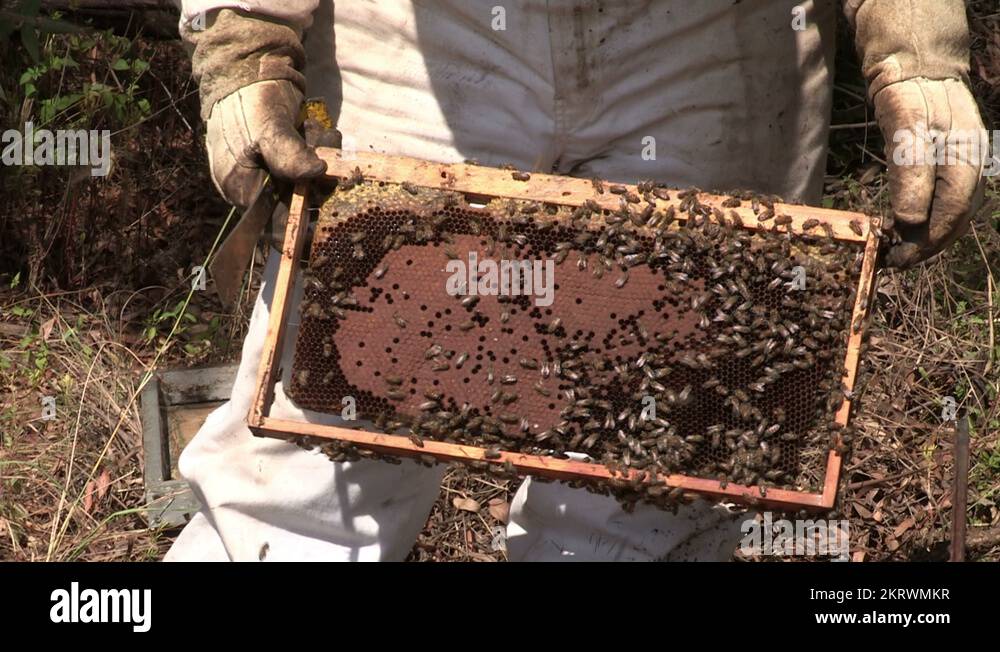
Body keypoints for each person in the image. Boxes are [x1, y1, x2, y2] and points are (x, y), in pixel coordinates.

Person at [164, 0, 987, 561]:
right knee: (311, 464)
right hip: (425, 36)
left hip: (719, 34)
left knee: (661, 475)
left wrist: (917, 43)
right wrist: (242, 33)